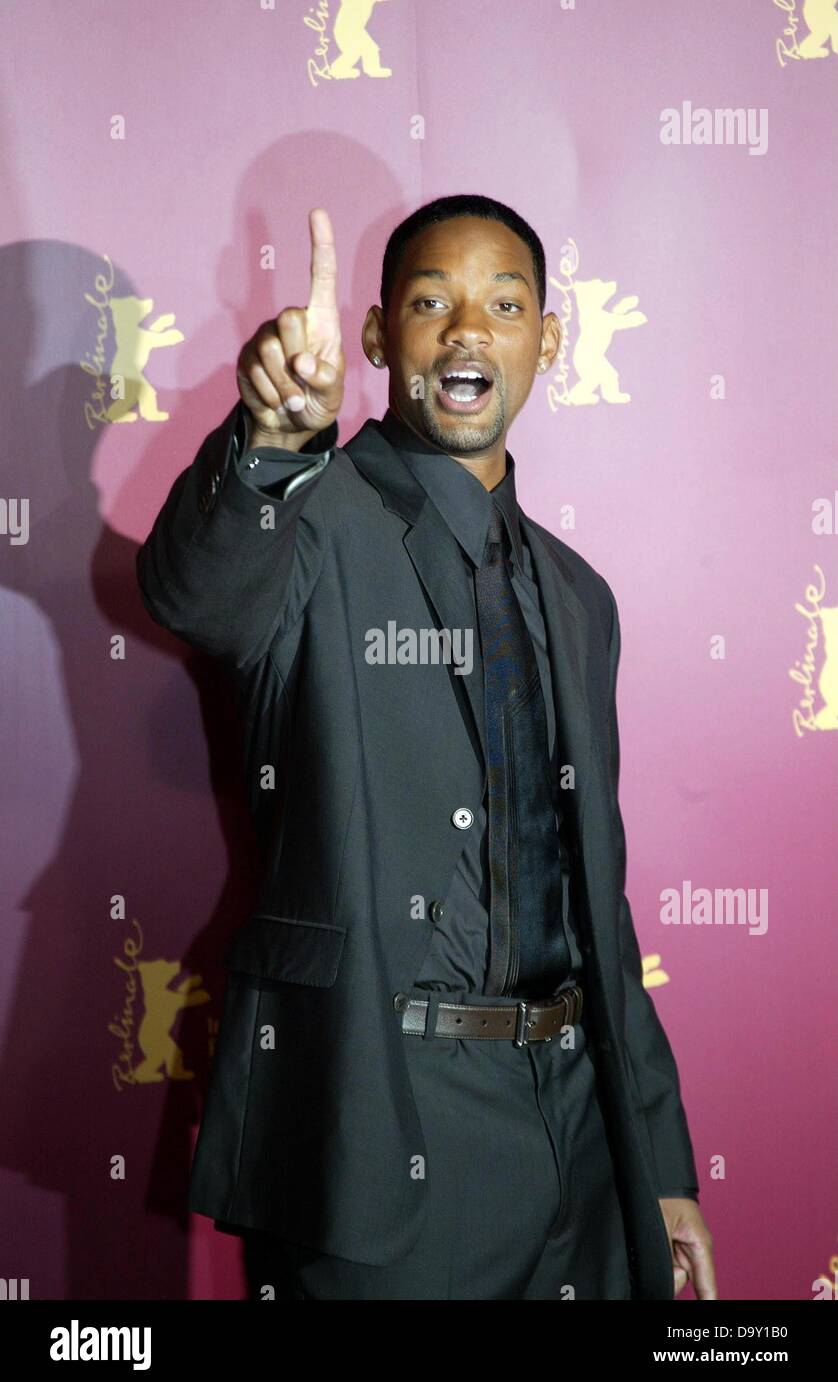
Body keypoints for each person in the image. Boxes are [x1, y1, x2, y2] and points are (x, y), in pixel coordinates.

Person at [136, 194, 716, 1300]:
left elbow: (599, 895)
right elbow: (197, 593)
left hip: (580, 1134)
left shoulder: (579, 596)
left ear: (545, 341)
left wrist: (657, 1156)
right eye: (429, 301)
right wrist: (271, 443)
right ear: (375, 338)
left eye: (503, 304)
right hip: (383, 1119)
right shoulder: (313, 518)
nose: (465, 329)